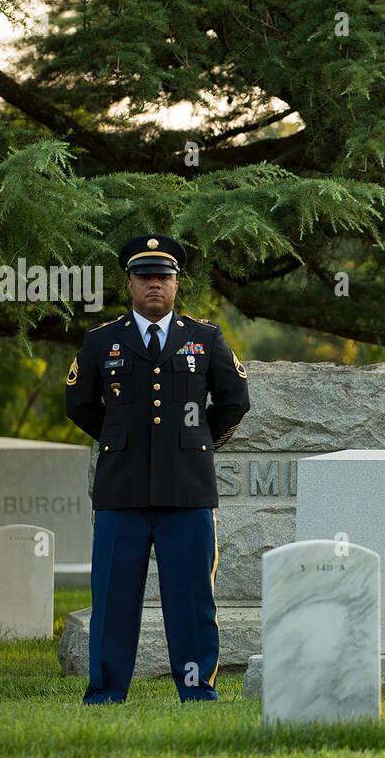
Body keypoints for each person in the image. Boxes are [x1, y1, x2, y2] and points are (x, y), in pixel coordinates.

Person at [65, 234, 250, 703]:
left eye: (163, 277)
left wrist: (196, 444)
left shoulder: (204, 338)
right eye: (144, 276)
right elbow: (79, 403)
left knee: (191, 602)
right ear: (129, 283)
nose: (154, 284)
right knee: (113, 600)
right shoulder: (102, 340)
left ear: (176, 284)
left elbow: (234, 400)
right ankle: (106, 694)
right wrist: (120, 440)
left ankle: (196, 692)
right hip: (121, 492)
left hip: (186, 491)